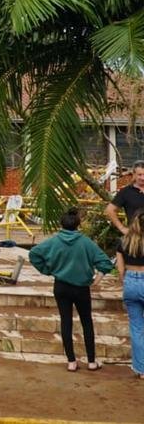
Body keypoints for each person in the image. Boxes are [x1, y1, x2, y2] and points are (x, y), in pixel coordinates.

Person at [29, 208, 115, 372]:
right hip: (82, 288)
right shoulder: (86, 242)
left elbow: (34, 254)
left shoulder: (53, 241)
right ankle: (91, 361)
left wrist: (48, 270)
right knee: (86, 322)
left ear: (61, 224)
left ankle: (71, 362)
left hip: (61, 286)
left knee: (66, 321)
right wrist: (98, 278)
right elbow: (105, 262)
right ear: (78, 224)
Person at [115, 210, 144, 379]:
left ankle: (141, 369)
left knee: (137, 328)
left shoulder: (124, 241)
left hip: (130, 282)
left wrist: (125, 281)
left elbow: (120, 270)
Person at [106, 160, 144, 235]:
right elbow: (110, 210)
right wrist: (122, 228)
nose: (143, 178)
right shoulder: (126, 192)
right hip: (135, 237)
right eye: (140, 174)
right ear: (134, 174)